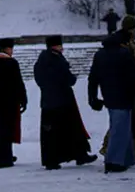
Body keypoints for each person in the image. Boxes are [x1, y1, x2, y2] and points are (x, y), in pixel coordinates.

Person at [33, 35, 97, 170]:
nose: (62, 48)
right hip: (63, 99)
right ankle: (79, 154)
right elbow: (67, 78)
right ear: (55, 46)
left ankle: (52, 159)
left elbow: (40, 79)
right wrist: (72, 78)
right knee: (72, 128)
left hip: (48, 100)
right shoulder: (56, 60)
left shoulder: (42, 60)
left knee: (51, 132)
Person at [89, 30, 135, 173]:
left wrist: (93, 97)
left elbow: (93, 78)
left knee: (122, 127)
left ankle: (127, 158)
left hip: (108, 96)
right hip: (124, 96)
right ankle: (113, 162)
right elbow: (134, 78)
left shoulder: (99, 54)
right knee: (120, 129)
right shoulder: (124, 54)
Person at [100, 16, 135, 161]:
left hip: (119, 85)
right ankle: (129, 148)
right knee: (130, 118)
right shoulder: (128, 45)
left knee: (122, 118)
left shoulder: (119, 42)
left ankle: (110, 146)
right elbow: (133, 64)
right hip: (129, 85)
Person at [0, 37, 27, 169]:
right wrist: (23, 99)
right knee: (7, 130)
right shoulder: (12, 63)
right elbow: (18, 83)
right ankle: (4, 158)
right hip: (9, 102)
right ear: (8, 49)